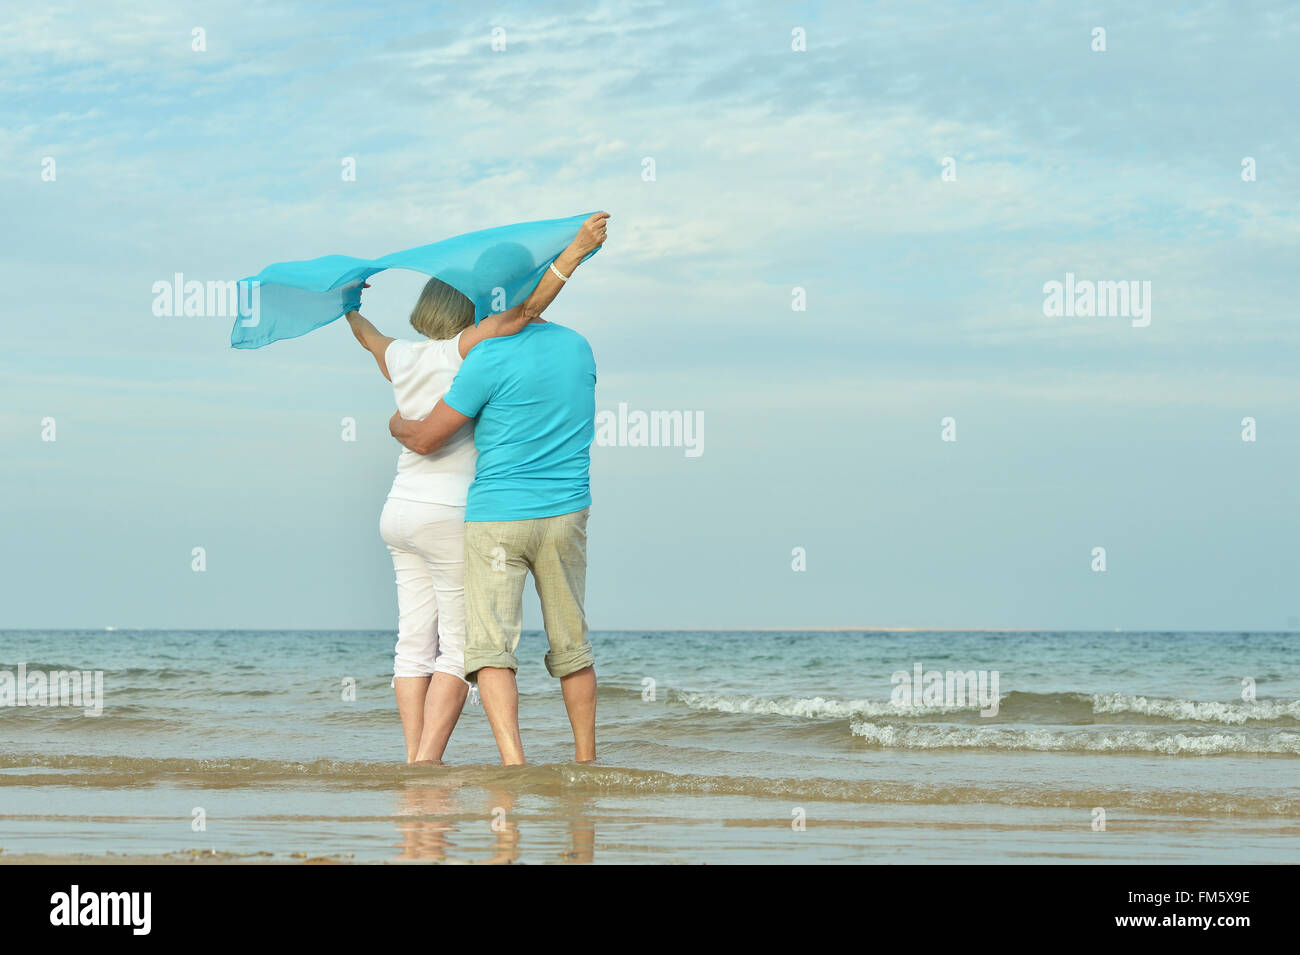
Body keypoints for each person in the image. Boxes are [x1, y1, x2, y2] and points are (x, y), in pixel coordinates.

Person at [346, 211, 609, 763]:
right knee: (532, 645)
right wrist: (576, 251)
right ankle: (575, 759)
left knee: (441, 645)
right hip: (516, 510)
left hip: (442, 514)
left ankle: (454, 764)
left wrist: (349, 305)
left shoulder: (436, 357)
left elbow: (380, 354)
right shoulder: (539, 348)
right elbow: (531, 313)